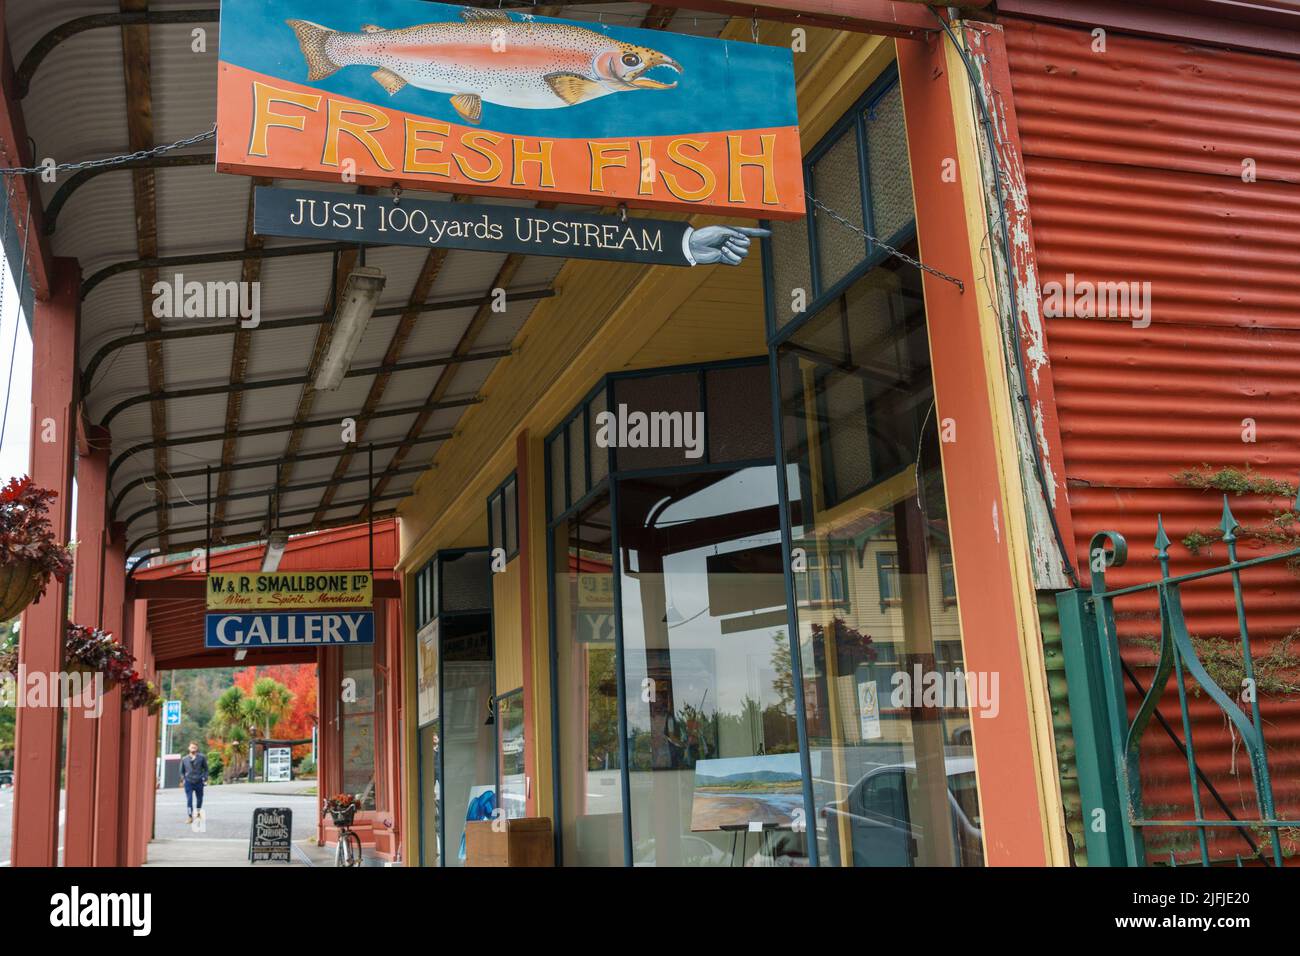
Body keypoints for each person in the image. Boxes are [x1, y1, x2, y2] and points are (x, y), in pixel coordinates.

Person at [180, 742, 208, 824]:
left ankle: (198, 813)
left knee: (199, 799)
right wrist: (183, 779)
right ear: (189, 748)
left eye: (195, 747)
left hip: (199, 781)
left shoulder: (202, 758)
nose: (193, 749)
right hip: (188, 782)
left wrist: (204, 778)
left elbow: (206, 769)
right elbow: (181, 771)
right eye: (192, 747)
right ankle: (189, 816)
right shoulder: (184, 759)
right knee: (189, 800)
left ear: (197, 748)